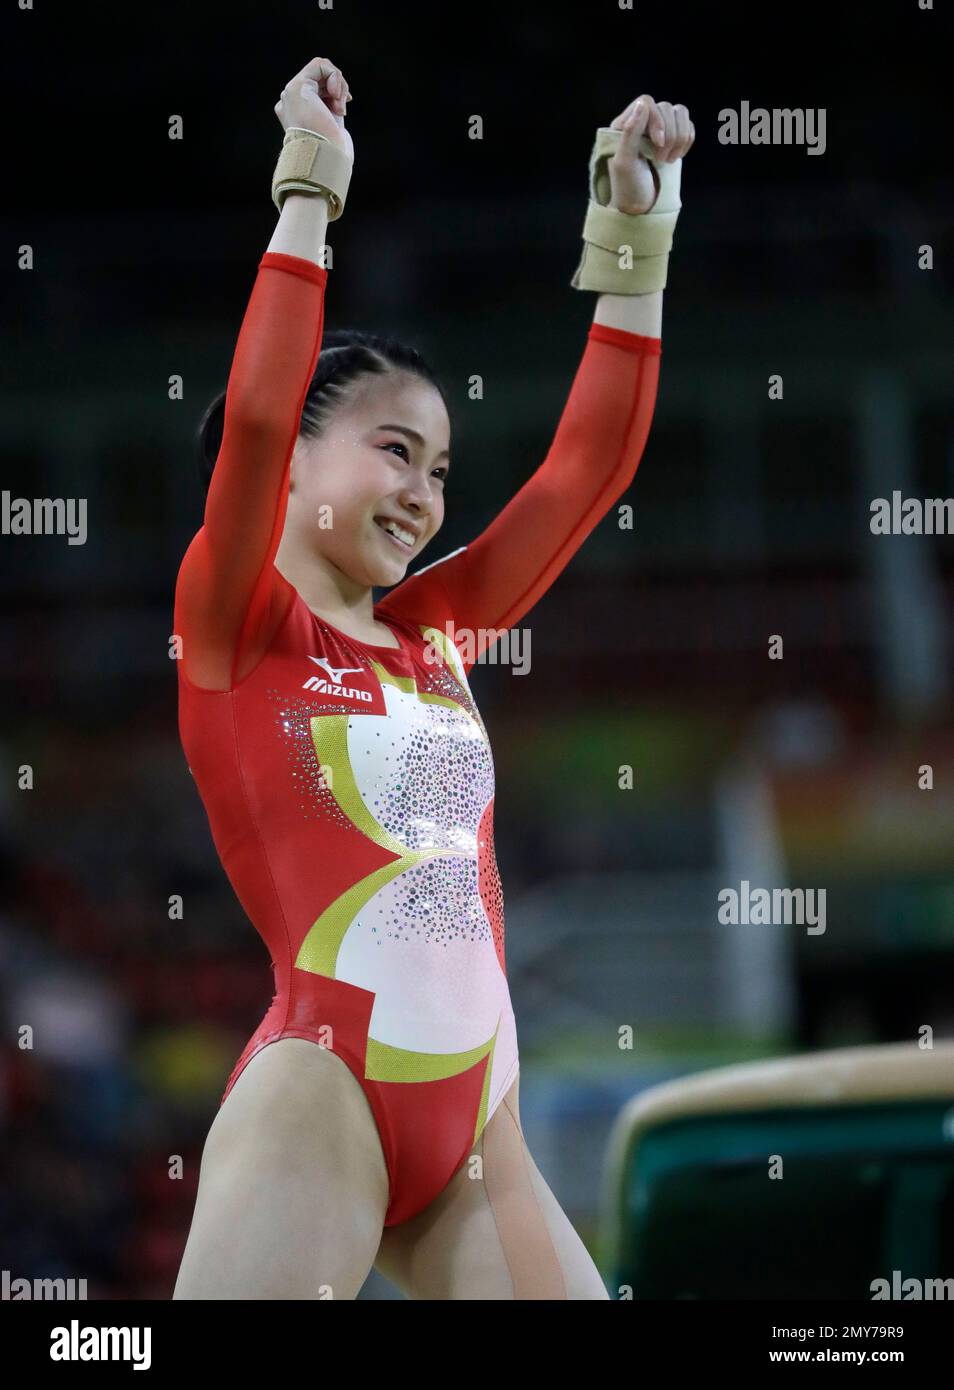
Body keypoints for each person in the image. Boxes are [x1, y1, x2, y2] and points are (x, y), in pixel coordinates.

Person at [172, 55, 694, 1300]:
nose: (422, 493)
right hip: (325, 1097)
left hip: (481, 1131)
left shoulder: (437, 629)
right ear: (297, 467)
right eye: (394, 451)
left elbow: (585, 476)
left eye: (441, 470)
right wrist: (312, 187)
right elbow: (249, 417)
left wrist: (635, 226)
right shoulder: (235, 626)